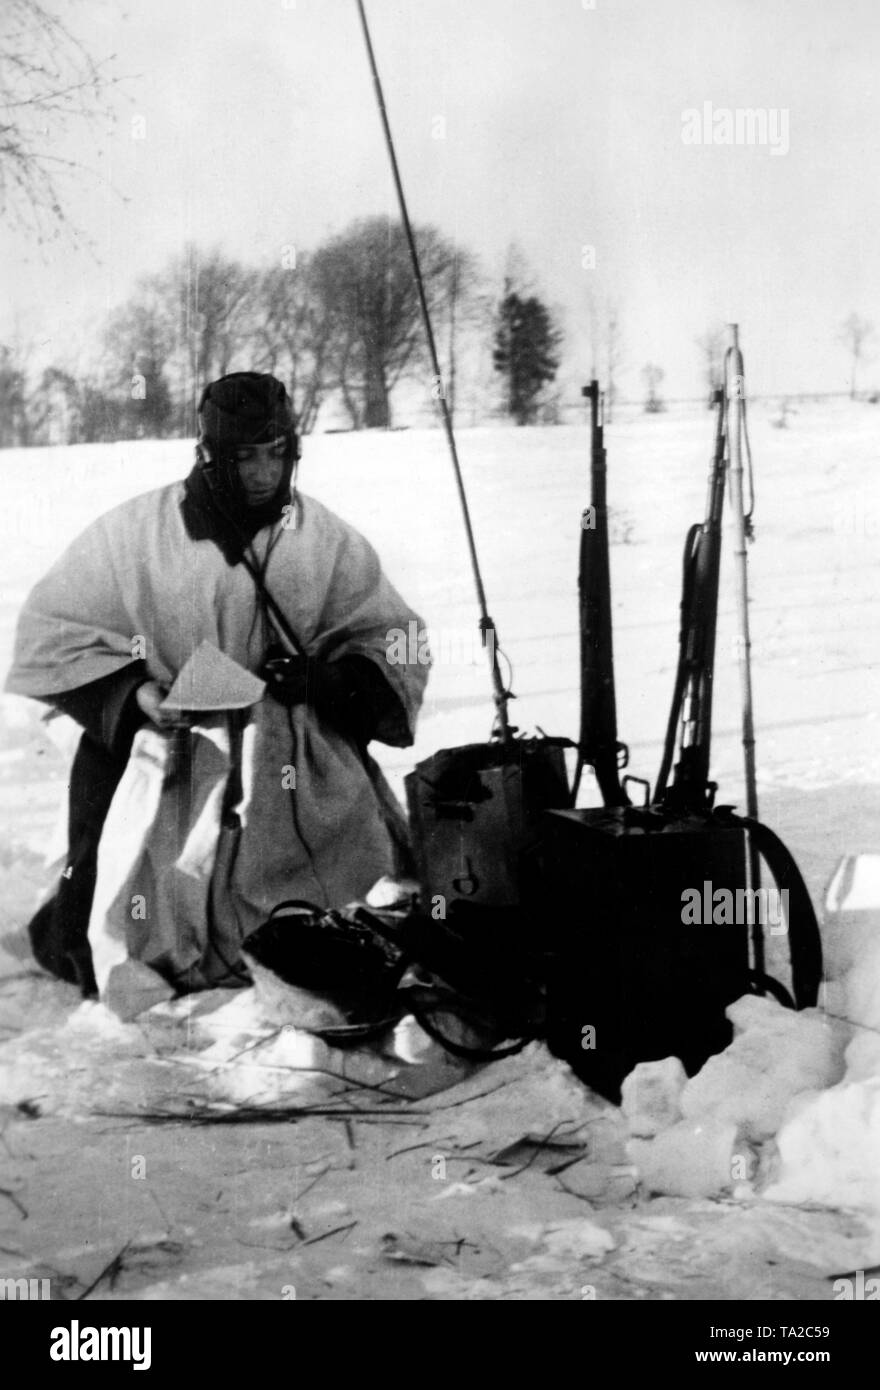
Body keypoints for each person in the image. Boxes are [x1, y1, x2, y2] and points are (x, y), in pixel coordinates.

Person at [5, 372, 429, 1016]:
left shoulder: (325, 538)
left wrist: (327, 679)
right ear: (209, 453)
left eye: (276, 453)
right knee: (123, 927)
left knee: (350, 916)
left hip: (294, 757)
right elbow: (52, 634)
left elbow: (396, 638)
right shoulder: (135, 534)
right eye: (244, 456)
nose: (263, 473)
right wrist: (135, 694)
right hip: (174, 753)